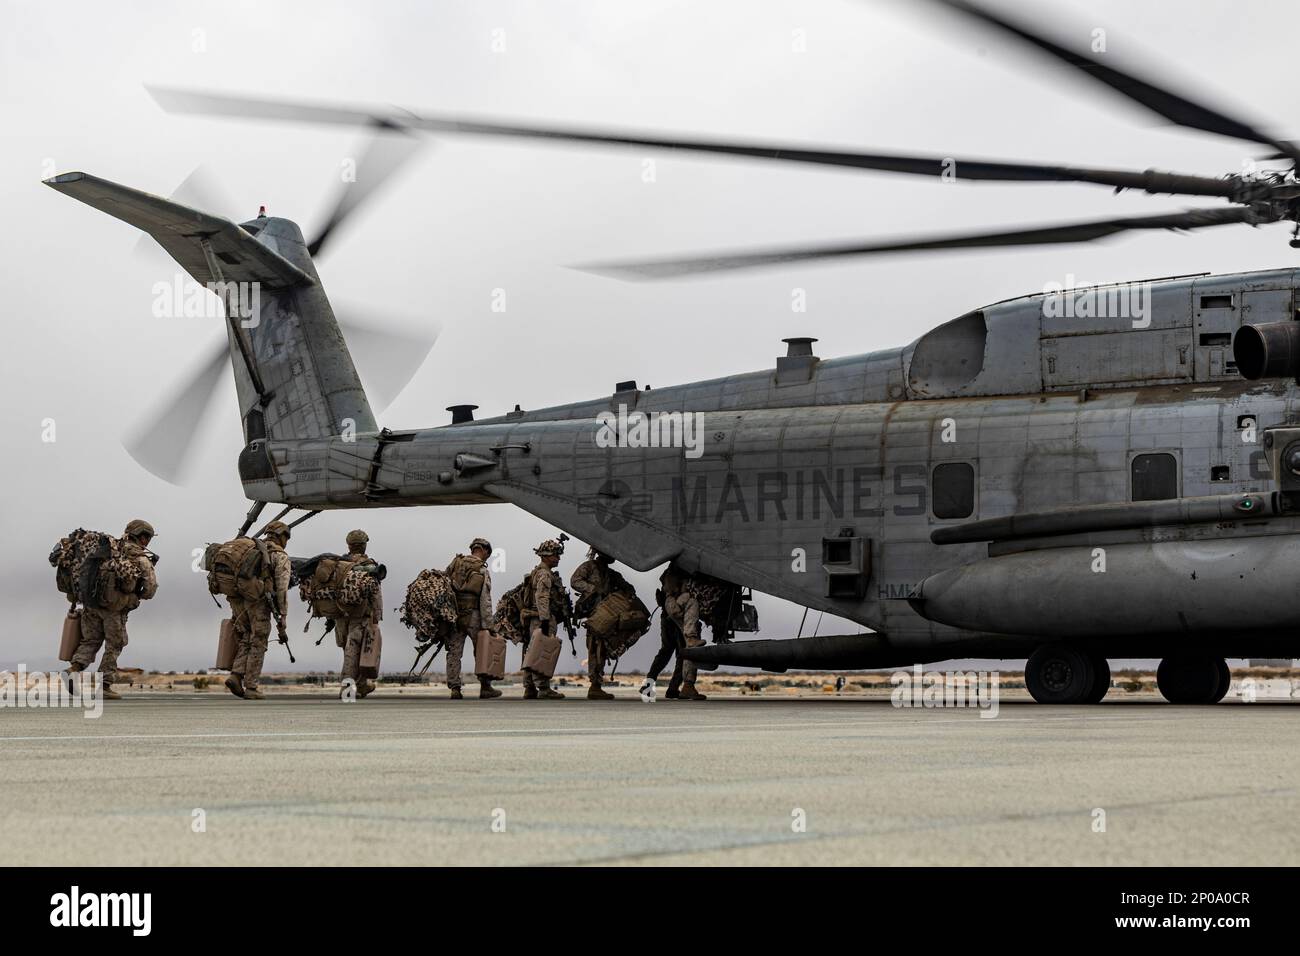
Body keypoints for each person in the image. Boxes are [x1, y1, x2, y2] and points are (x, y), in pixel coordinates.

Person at [68, 519, 158, 701]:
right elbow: (150, 589)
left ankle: (73, 670)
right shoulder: (139, 558)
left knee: (90, 641)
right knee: (114, 645)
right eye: (147, 538)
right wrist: (135, 596)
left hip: (91, 605)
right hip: (114, 610)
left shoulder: (109, 551)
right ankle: (105, 686)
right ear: (143, 537)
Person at [225, 520, 291, 701]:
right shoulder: (279, 556)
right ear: (281, 536)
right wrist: (282, 616)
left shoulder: (252, 549)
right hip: (259, 603)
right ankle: (251, 686)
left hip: (239, 601)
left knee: (247, 637)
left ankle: (236, 675)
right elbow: (282, 590)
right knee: (259, 641)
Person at [570, 548, 633, 701]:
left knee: (602, 649)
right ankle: (595, 686)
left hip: (607, 616)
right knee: (595, 649)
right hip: (594, 615)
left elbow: (627, 587)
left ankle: (596, 685)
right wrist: (594, 590)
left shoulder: (611, 574)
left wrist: (626, 591)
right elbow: (575, 581)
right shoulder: (589, 567)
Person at [444, 537, 501, 699]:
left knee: (454, 652)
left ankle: (455, 689)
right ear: (484, 551)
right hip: (473, 616)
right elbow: (485, 600)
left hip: (454, 615)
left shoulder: (455, 564)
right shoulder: (482, 570)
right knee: (483, 651)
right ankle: (485, 687)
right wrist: (489, 626)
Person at [337, 529, 383, 699]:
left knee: (350, 651)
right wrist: (377, 616)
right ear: (364, 545)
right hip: (360, 616)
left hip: (340, 615)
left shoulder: (340, 564)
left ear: (349, 545)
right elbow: (376, 593)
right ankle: (347, 690)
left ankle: (362, 686)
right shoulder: (370, 566)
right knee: (354, 651)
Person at [522, 539, 567, 700]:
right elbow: (542, 597)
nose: (558, 558)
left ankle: (529, 687)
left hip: (535, 617)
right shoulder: (545, 574)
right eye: (555, 555)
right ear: (546, 556)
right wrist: (545, 621)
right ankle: (543, 688)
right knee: (541, 652)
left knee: (531, 652)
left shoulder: (537, 572)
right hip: (542, 617)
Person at [657, 561, 707, 701]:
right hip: (675, 606)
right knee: (692, 603)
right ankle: (686, 686)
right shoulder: (676, 575)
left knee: (684, 650)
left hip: (671, 608)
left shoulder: (671, 574)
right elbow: (677, 598)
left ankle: (683, 687)